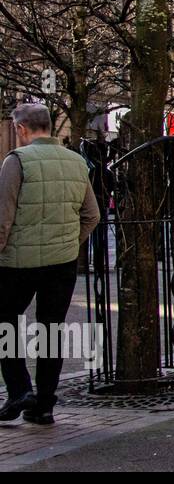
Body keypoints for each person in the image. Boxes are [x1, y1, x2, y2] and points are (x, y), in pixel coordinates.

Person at [0, 104, 101, 425]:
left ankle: (19, 390)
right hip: (62, 264)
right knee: (51, 330)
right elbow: (93, 215)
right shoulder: (76, 162)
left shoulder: (16, 161)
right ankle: (43, 405)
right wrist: (70, 243)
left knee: (5, 324)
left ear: (21, 129)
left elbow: (3, 218)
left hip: (18, 263)